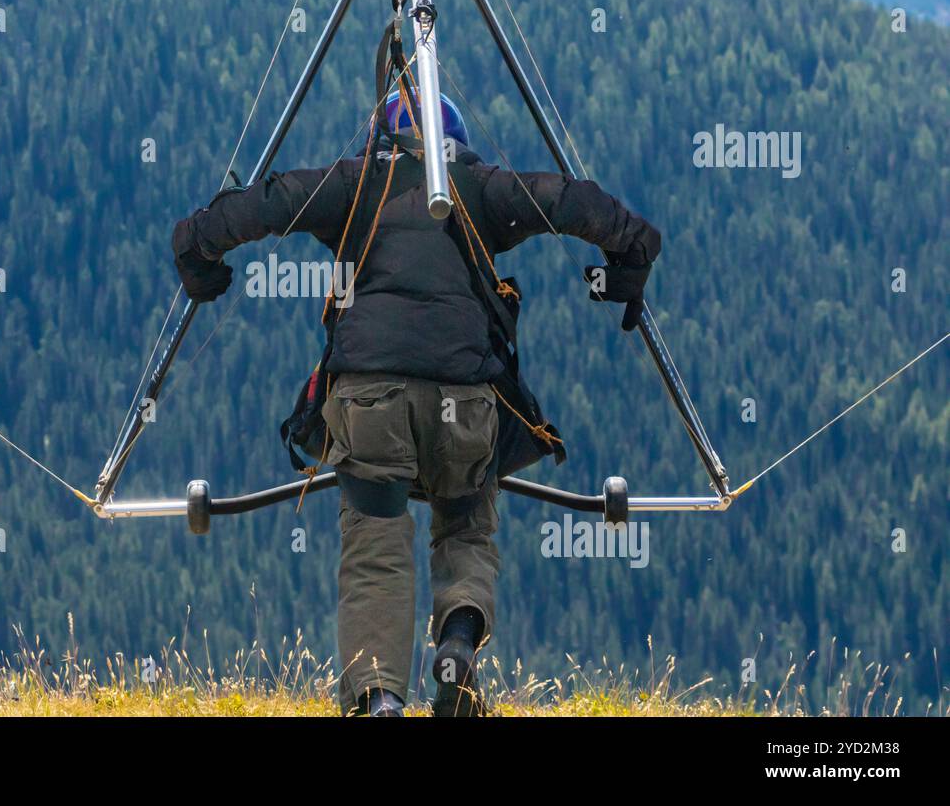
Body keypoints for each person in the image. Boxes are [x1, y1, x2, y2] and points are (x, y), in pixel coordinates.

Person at [171, 91, 660, 716]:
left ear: (382, 140)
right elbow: (570, 201)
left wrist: (197, 246)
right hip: (465, 403)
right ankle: (457, 644)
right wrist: (631, 249)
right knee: (466, 520)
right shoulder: (480, 190)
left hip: (370, 399)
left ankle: (379, 699)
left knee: (375, 546)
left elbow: (268, 202)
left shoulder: (355, 184)